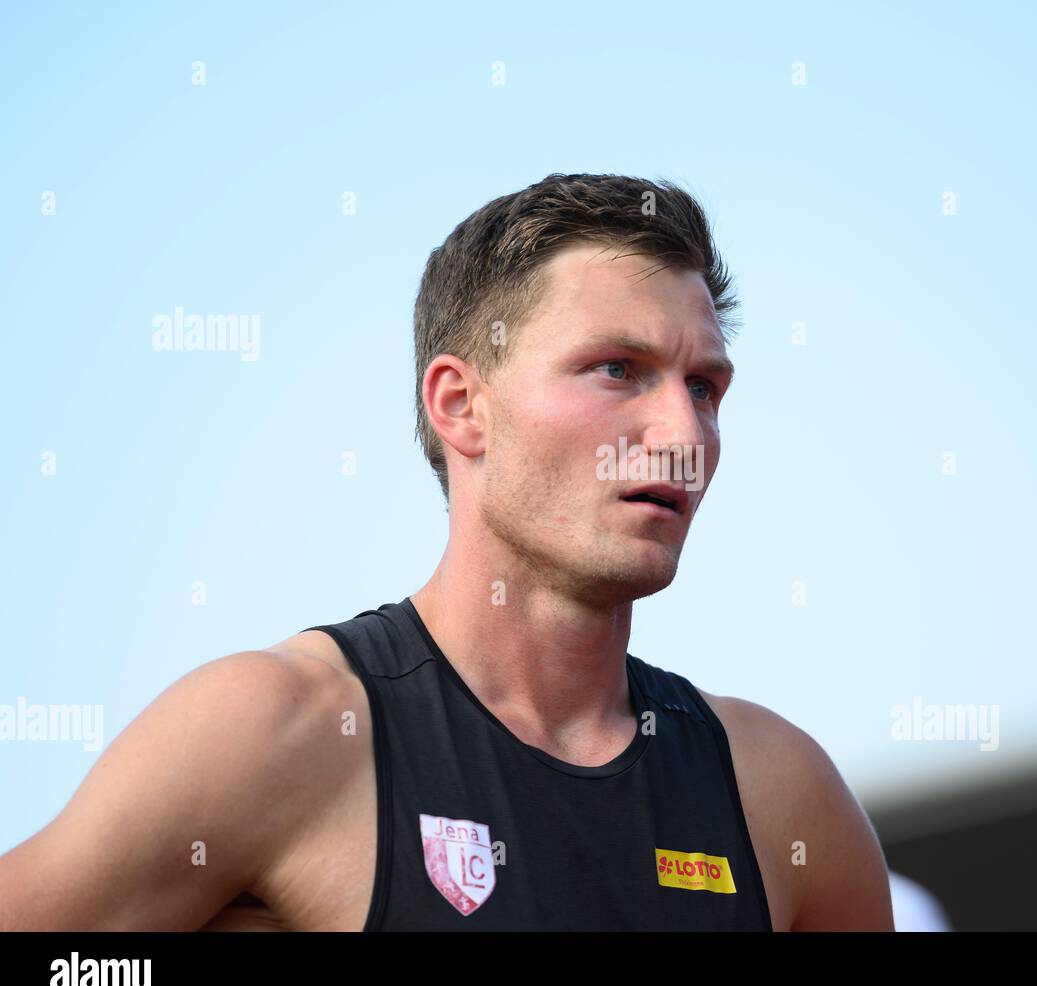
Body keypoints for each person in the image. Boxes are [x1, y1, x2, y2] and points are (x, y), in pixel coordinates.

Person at [0, 173, 894, 931]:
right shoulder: (276, 731)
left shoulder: (778, 795)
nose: (680, 431)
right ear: (462, 405)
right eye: (617, 369)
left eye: (704, 386)